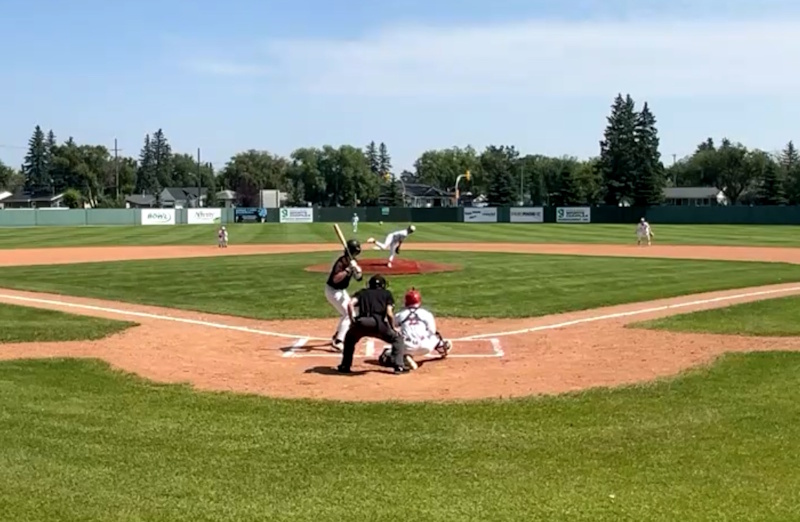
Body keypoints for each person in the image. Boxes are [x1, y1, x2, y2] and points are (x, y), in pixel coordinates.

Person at [337, 274, 408, 375]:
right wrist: (393, 327)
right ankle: (399, 366)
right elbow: (389, 313)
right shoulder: (386, 294)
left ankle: (345, 365)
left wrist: (353, 321)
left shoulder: (362, 292)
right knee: (397, 339)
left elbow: (350, 304)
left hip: (361, 323)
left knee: (349, 339)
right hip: (378, 324)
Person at [378, 287, 452, 370]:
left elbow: (390, 327)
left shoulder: (400, 315)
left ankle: (403, 358)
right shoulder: (426, 314)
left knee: (387, 353)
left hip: (407, 347)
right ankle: (442, 347)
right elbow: (432, 331)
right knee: (435, 336)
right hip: (426, 347)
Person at [325, 239, 363, 351]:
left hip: (341, 291)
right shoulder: (341, 262)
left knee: (351, 312)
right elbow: (335, 279)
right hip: (333, 291)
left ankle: (337, 335)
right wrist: (348, 270)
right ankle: (338, 342)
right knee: (348, 313)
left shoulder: (353, 261)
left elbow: (359, 278)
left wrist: (358, 271)